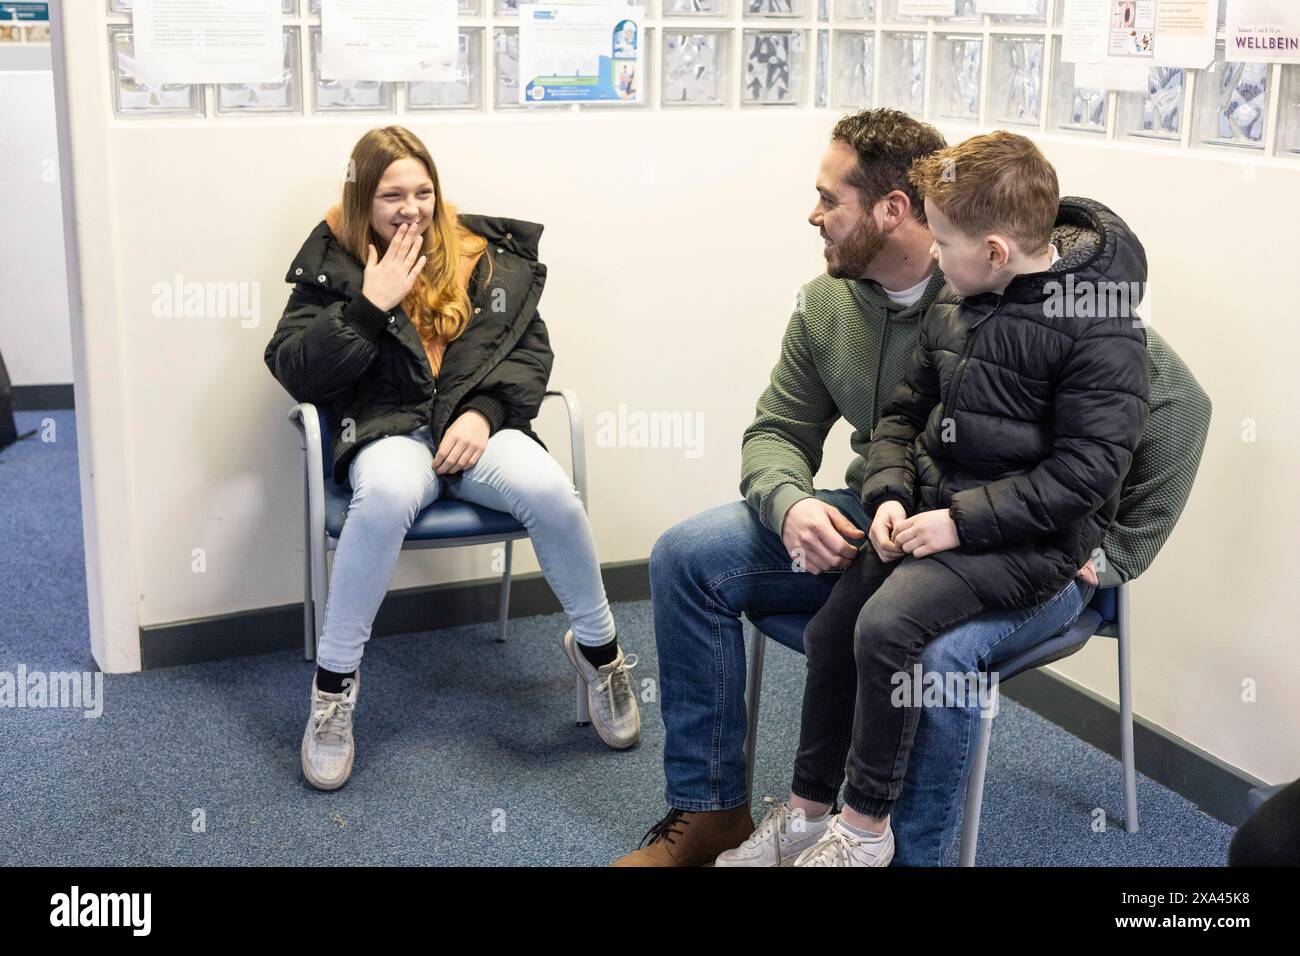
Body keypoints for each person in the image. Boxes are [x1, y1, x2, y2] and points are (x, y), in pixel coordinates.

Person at [615, 109, 1211, 867]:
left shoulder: (1032, 294)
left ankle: (898, 852)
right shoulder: (829, 302)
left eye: (830, 198)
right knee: (687, 557)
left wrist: (1123, 551)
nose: (813, 214)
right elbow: (779, 432)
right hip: (895, 512)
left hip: (1025, 545)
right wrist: (791, 503)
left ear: (897, 213)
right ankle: (714, 814)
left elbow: (1181, 409)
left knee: (931, 652)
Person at [264, 126, 640, 791]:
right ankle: (333, 688)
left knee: (553, 495)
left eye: (422, 191)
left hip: (475, 430)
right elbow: (298, 371)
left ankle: (599, 653)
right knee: (380, 498)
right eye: (390, 196)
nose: (410, 208)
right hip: (388, 435)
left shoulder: (481, 257)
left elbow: (527, 354)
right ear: (362, 201)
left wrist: (483, 412)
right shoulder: (335, 264)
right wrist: (369, 305)